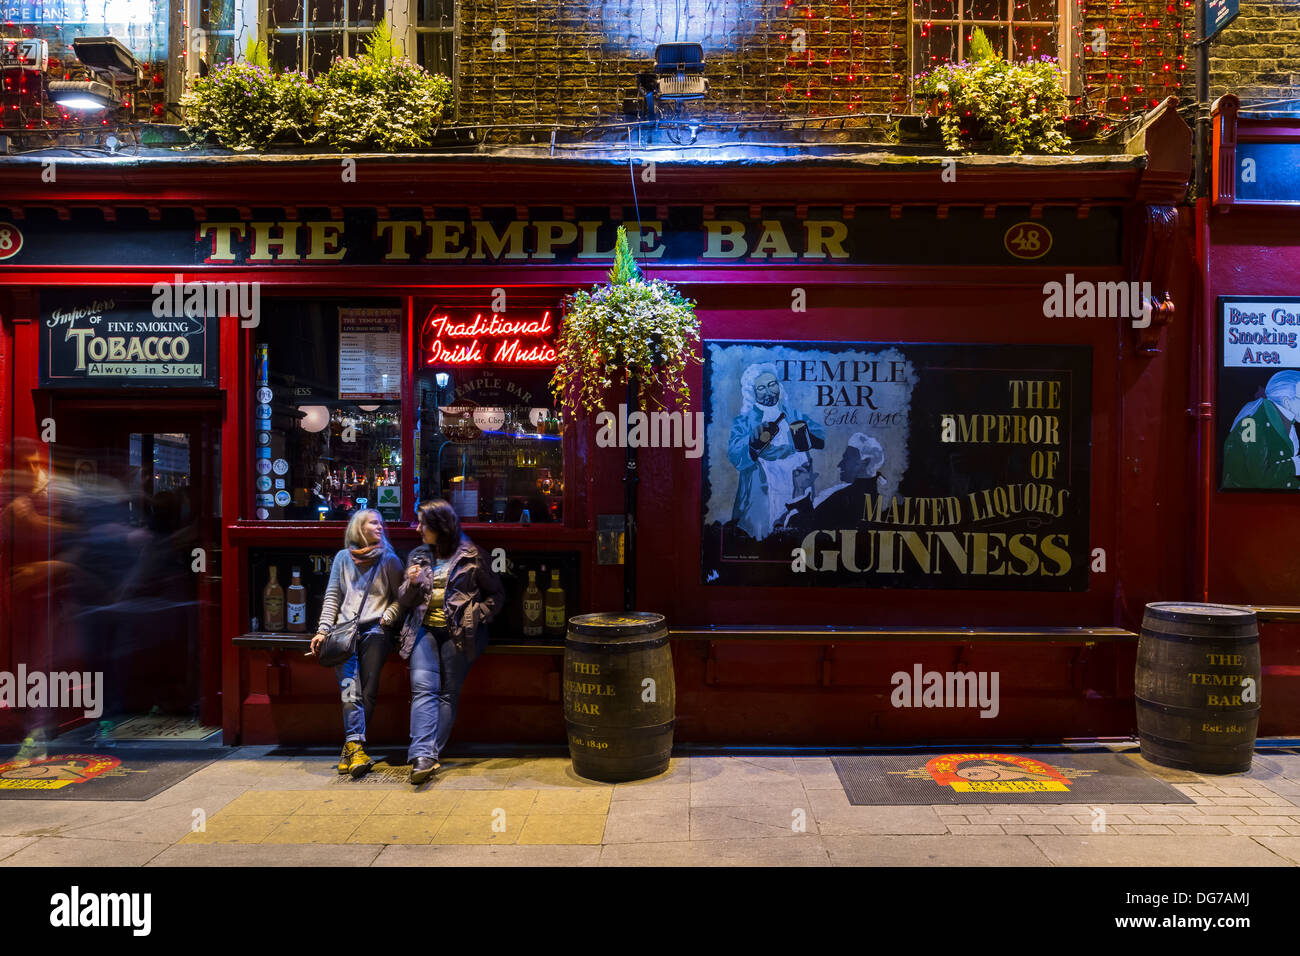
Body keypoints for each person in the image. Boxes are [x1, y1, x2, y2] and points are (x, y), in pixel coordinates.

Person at [388, 499, 504, 785]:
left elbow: (497, 595)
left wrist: (477, 614)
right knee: (423, 689)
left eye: (422, 524)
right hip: (423, 629)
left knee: (447, 692)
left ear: (440, 526)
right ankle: (424, 758)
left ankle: (426, 756)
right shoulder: (418, 554)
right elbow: (404, 600)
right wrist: (412, 584)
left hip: (459, 632)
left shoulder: (473, 556)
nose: (417, 529)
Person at [310, 509, 403, 777]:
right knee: (350, 689)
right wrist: (322, 629)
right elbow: (332, 597)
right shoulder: (342, 558)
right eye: (373, 523)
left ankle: (350, 748)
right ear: (359, 528)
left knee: (368, 690)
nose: (380, 527)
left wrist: (388, 616)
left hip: (376, 631)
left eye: (381, 523)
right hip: (343, 634)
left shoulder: (389, 560)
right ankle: (356, 748)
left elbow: (401, 598)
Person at [726, 363, 824, 541]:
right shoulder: (744, 421)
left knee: (797, 531)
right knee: (765, 537)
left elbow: (820, 436)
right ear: (752, 393)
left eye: (772, 384)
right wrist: (753, 441)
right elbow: (734, 454)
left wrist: (804, 437)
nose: (769, 391)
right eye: (761, 388)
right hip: (764, 487)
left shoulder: (793, 414)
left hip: (796, 482)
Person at [1223, 370, 1300, 490]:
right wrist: (1294, 465)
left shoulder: (1286, 420)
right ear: (1286, 402)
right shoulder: (1252, 422)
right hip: (1246, 502)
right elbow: (1259, 478)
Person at [812, 433, 886, 527]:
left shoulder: (842, 499)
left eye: (846, 458)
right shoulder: (879, 497)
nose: (840, 464)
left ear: (865, 462)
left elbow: (809, 524)